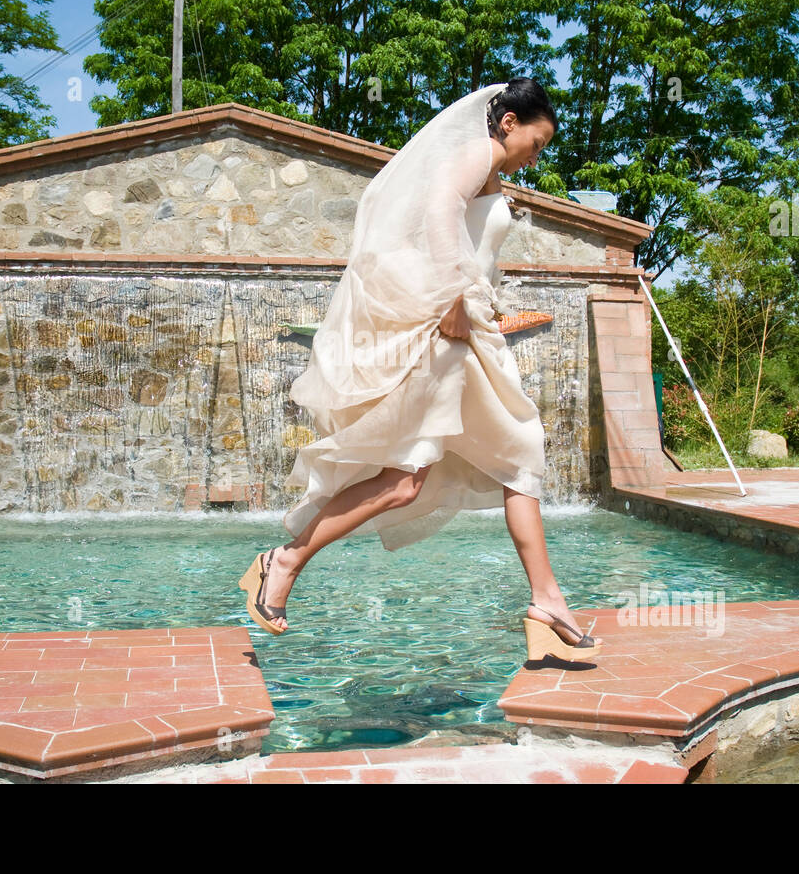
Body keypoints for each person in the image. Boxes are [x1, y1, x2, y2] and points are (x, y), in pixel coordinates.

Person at [237, 78, 601, 664]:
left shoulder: (488, 167)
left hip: (466, 329)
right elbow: (437, 212)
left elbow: (469, 234)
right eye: (538, 141)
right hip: (447, 333)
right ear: (508, 122)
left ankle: (546, 601)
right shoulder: (475, 151)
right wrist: (456, 296)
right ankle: (283, 562)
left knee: (515, 452)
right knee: (410, 478)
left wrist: (479, 298)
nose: (538, 155)